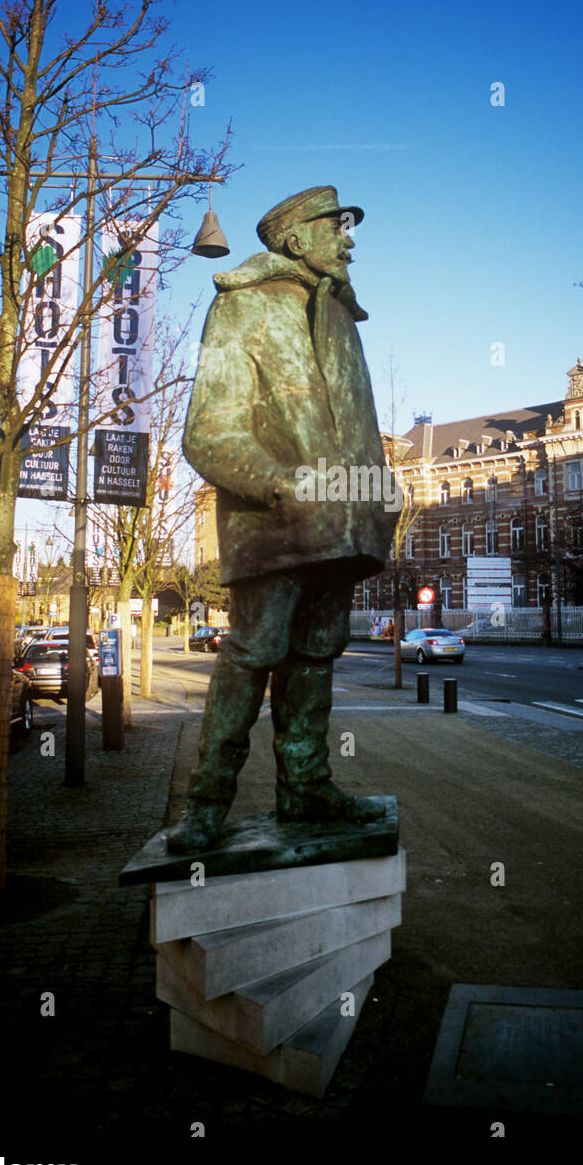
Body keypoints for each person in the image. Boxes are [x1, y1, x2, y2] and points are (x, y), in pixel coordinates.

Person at [167, 187, 398, 853]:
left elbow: (359, 434)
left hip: (344, 528)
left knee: (315, 657)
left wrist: (382, 494)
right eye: (337, 227)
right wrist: (277, 484)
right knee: (253, 653)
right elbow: (208, 430)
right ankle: (207, 804)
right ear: (296, 239)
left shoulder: (342, 322)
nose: (348, 240)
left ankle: (305, 789)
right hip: (275, 523)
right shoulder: (245, 306)